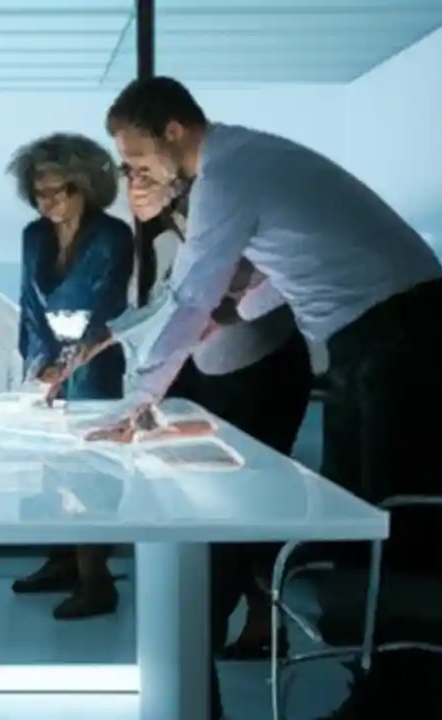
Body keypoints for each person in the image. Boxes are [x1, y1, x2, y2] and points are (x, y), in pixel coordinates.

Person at [58, 76, 442, 576]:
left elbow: (188, 296)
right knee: (357, 502)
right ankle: (366, 639)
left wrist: (139, 399)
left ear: (174, 131)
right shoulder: (247, 156)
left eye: (138, 160)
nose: (135, 175)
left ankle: (401, 647)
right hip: (379, 332)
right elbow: (283, 267)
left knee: (387, 509)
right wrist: (226, 317)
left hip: (395, 333)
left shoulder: (224, 177)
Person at [119, 175, 313, 720]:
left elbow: (223, 297)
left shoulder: (218, 209)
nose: (132, 185)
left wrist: (224, 317)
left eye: (139, 171)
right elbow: (165, 306)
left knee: (236, 517)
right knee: (220, 518)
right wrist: (106, 342)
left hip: (261, 369)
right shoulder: (167, 233)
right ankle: (219, 654)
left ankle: (203, 667)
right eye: (125, 175)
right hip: (213, 372)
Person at [6, 133, 133, 620]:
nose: (49, 200)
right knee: (48, 464)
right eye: (41, 191)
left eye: (60, 190)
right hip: (50, 367)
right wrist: (40, 364)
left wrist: (73, 363)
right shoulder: (32, 237)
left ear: (85, 187)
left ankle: (97, 581)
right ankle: (62, 562)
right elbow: (29, 309)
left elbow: (109, 310)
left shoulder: (112, 236)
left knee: (90, 470)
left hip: (97, 364)